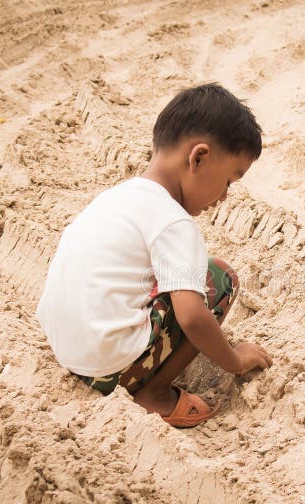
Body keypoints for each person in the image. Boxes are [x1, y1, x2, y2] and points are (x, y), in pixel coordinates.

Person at [36, 83, 272, 428]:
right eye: (229, 181)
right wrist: (234, 359)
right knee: (219, 277)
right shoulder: (173, 221)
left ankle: (127, 363)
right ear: (199, 158)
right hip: (111, 369)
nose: (224, 196)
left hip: (71, 355)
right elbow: (191, 317)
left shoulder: (114, 198)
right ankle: (155, 392)